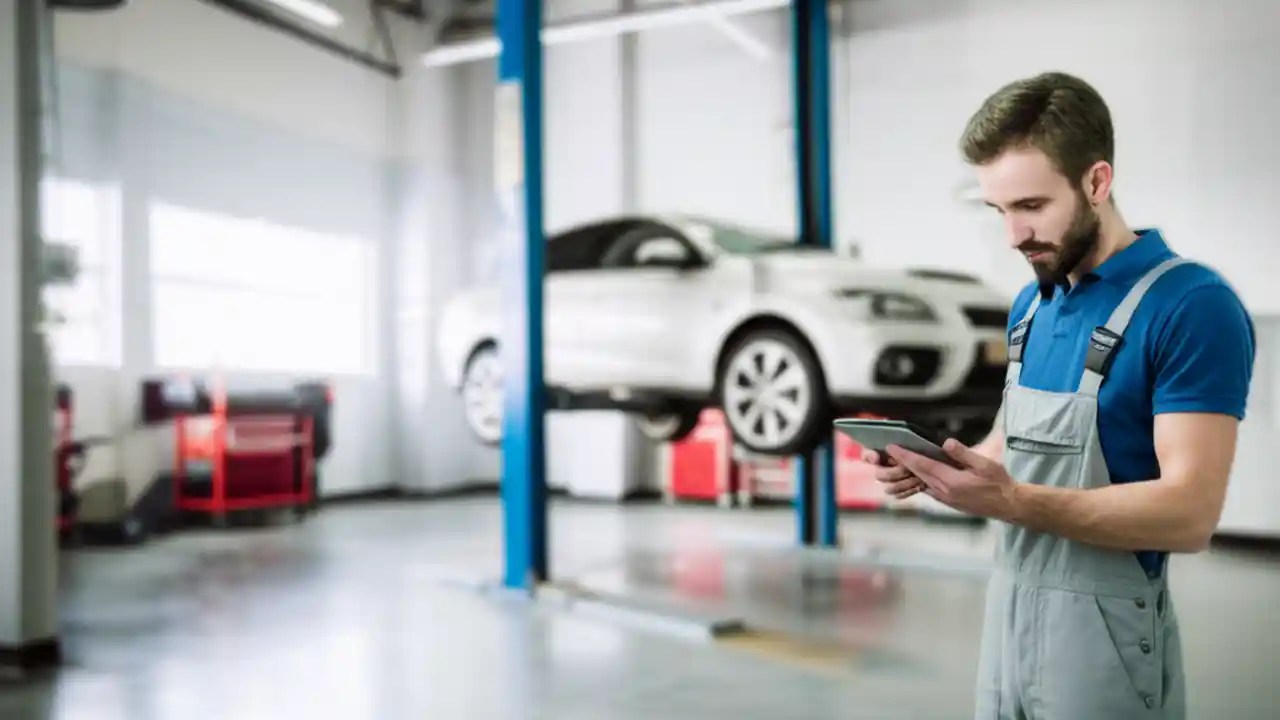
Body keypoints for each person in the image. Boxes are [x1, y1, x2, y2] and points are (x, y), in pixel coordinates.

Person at [866, 71, 1255, 719]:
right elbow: (1006, 451)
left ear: (1097, 182)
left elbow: (1191, 514)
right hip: (1009, 618)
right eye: (998, 211)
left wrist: (1011, 500)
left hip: (1104, 641)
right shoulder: (1031, 306)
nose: (1014, 236)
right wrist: (935, 468)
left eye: (1031, 206)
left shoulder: (1191, 305)